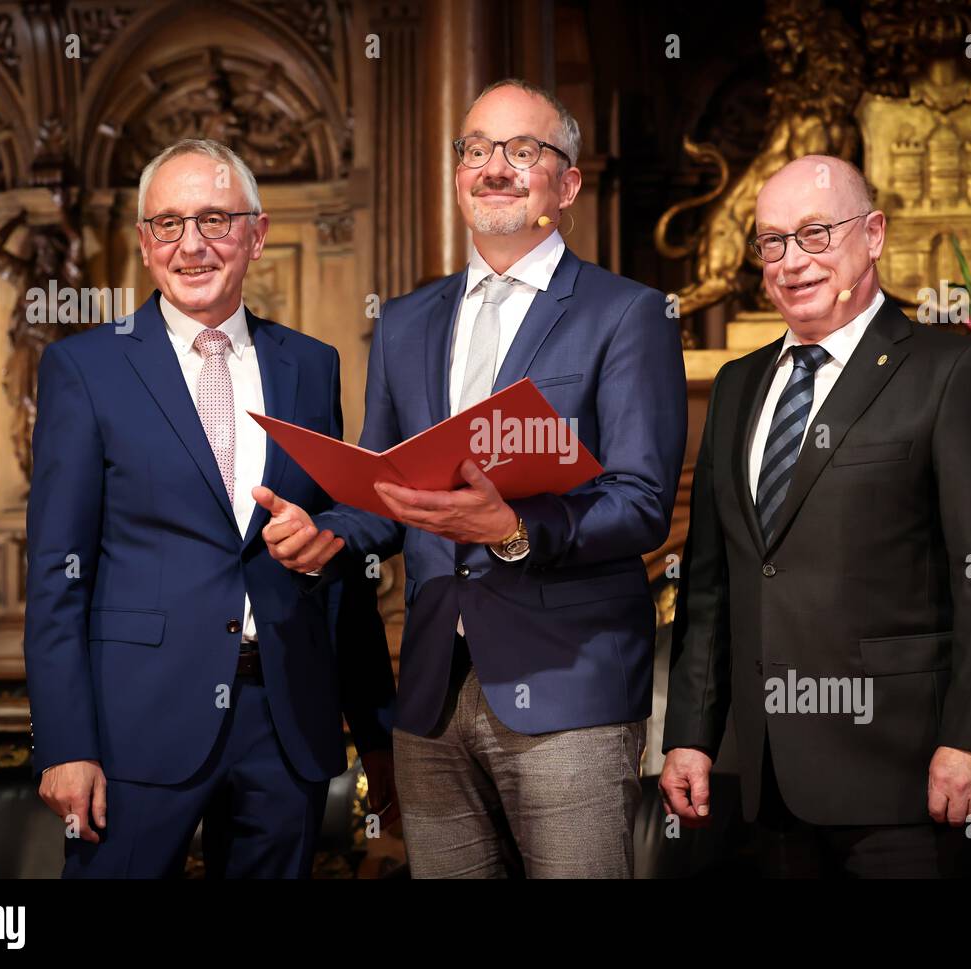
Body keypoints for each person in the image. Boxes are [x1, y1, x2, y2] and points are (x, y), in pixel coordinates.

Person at [258, 79, 686, 877]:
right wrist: (329, 533)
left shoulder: (626, 315)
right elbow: (387, 495)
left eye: (523, 151)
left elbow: (642, 505)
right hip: (431, 693)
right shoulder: (408, 322)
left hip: (571, 688)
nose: (494, 167)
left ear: (567, 182)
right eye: (476, 149)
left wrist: (516, 530)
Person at [25, 138, 395, 878]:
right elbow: (57, 576)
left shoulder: (311, 363)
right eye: (168, 224)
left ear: (255, 235)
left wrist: (377, 732)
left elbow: (339, 555)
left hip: (285, 717)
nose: (191, 245)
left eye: (215, 220)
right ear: (143, 242)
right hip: (137, 726)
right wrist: (66, 743)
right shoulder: (85, 368)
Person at [660, 154, 971, 877]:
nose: (791, 261)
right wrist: (691, 736)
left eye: (814, 233)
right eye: (772, 241)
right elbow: (712, 586)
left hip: (911, 784)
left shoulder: (951, 373)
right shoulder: (736, 387)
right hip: (766, 786)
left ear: (873, 234)